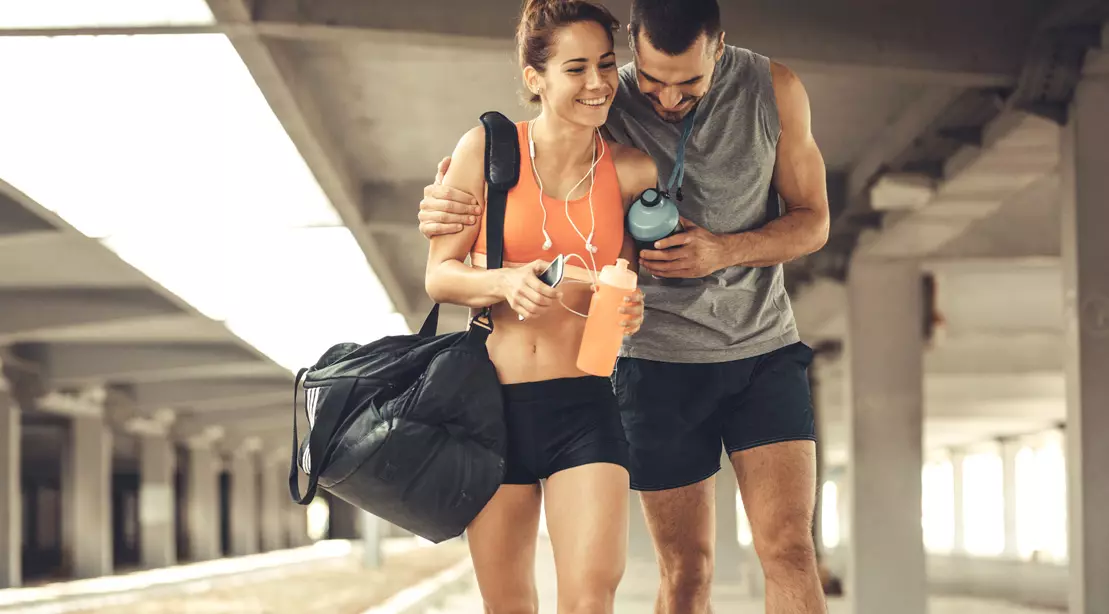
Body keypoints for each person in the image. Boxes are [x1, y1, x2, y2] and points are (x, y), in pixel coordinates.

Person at [419, 0, 831, 611]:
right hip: (649, 365)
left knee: (790, 548)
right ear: (636, 46)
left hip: (756, 346)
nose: (666, 100)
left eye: (689, 82)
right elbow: (527, 167)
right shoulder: (594, 106)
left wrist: (724, 251)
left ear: (720, 47)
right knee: (685, 568)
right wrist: (450, 201)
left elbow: (815, 221)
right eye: (654, 80)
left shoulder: (769, 92)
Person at [423, 1, 659, 612]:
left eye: (607, 64)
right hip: (492, 412)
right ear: (536, 78)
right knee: (509, 604)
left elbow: (622, 284)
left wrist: (631, 311)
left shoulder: (633, 171)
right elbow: (439, 277)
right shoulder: (486, 151)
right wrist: (503, 283)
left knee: (590, 596)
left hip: (586, 404)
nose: (598, 82)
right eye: (575, 68)